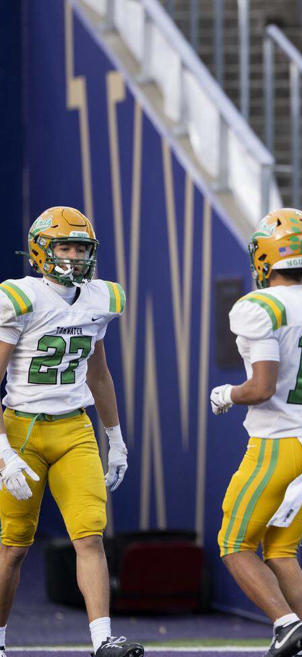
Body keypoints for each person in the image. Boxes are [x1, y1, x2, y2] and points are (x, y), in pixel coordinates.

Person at [209, 208, 302, 657]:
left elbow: (260, 388)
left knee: (235, 545)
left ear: (265, 257)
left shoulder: (261, 307)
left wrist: (226, 394)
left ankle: (287, 626)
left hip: (278, 447)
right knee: (281, 553)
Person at [0, 207, 142, 657]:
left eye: (82, 248)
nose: (76, 256)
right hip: (21, 430)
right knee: (13, 550)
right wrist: (3, 452)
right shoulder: (20, 297)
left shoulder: (101, 297)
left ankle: (103, 640)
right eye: (66, 246)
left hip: (75, 429)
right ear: (42, 250)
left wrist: (114, 437)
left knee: (89, 536)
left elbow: (98, 373)